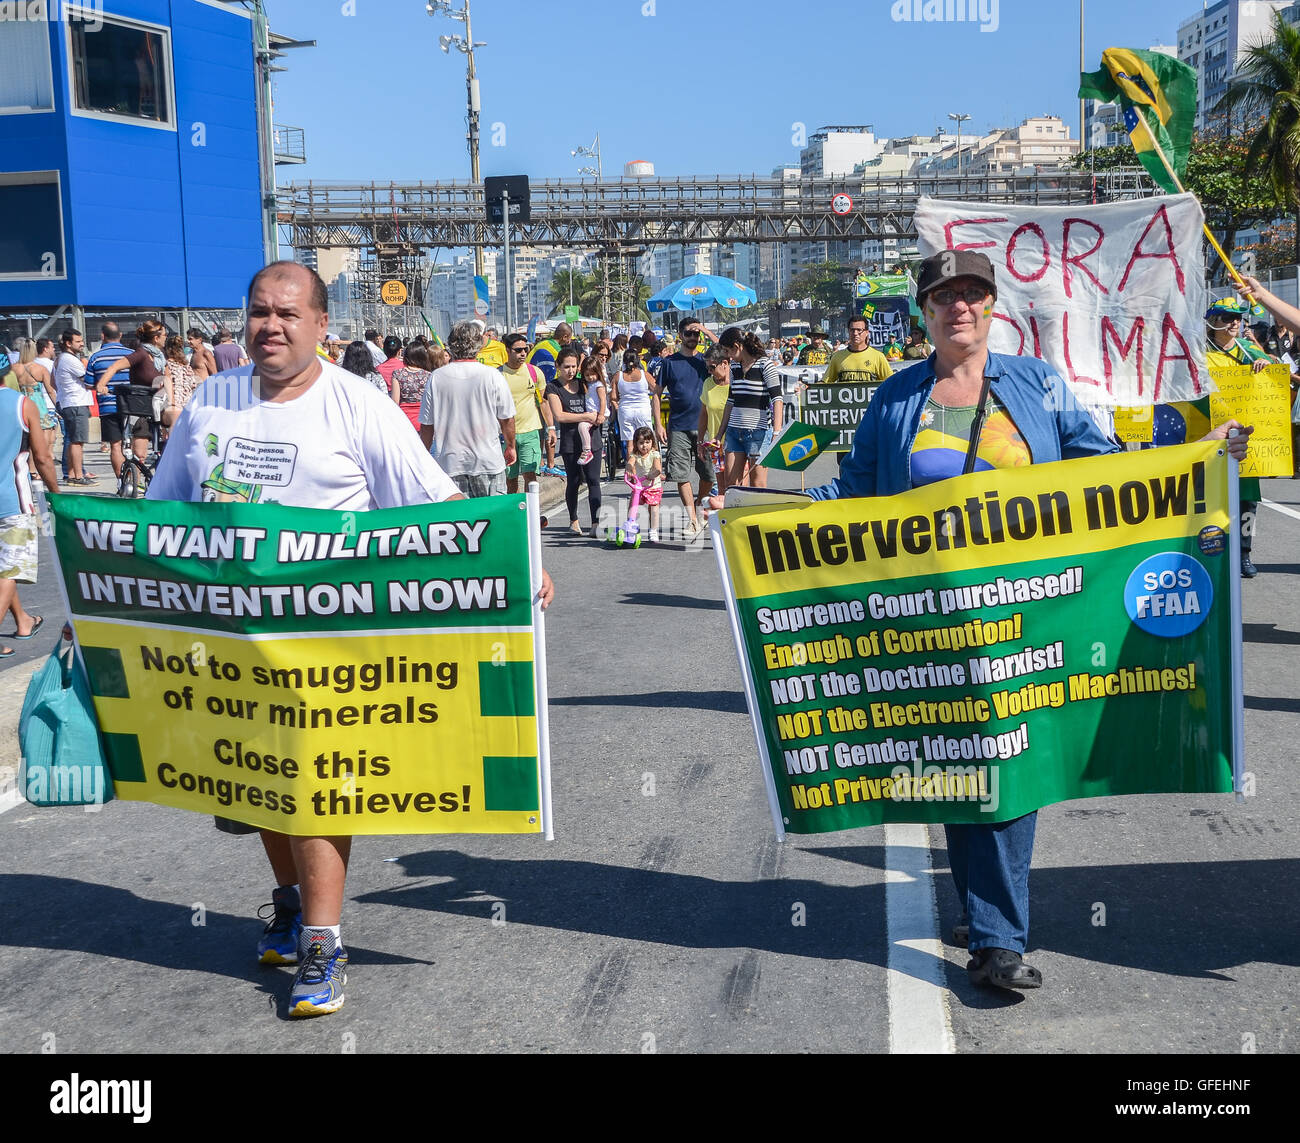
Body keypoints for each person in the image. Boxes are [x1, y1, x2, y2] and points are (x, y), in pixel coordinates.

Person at [805, 249, 1250, 993]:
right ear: (925, 310)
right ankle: (986, 914)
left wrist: (1196, 457)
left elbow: (1107, 470)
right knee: (958, 767)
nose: (961, 308)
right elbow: (853, 494)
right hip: (932, 621)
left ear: (992, 305)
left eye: (974, 293)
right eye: (945, 295)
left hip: (1027, 617)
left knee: (1012, 764)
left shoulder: (1037, 385)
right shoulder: (895, 401)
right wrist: (755, 510)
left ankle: (998, 940)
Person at [147, 260, 552, 1017]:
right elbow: (159, 510)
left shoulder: (357, 405)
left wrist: (518, 558)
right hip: (233, 651)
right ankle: (295, 903)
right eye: (258, 311)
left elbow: (433, 504)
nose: (270, 325)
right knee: (256, 786)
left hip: (329, 652)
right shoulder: (210, 402)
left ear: (322, 325)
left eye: (287, 313)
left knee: (315, 784)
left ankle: (324, 943)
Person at [418, 322, 516, 497]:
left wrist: (423, 458)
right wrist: (510, 446)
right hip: (488, 461)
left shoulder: (437, 378)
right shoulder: (492, 375)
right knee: (493, 521)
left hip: (450, 463)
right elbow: (506, 418)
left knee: (456, 522)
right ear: (479, 344)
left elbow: (427, 425)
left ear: (451, 345)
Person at [0, 377, 59, 654]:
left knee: (4, 568)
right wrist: (55, 492)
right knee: (10, 569)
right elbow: (43, 457)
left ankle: (23, 621)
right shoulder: (22, 404)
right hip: (12, 500)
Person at [656, 316, 714, 537]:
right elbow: (657, 395)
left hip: (704, 428)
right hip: (678, 426)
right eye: (689, 333)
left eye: (696, 333)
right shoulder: (669, 362)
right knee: (681, 475)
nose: (693, 337)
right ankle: (692, 519)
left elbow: (726, 353)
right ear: (680, 335)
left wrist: (706, 331)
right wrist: (658, 425)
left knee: (709, 475)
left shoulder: (705, 360)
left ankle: (700, 507)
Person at [717, 329, 784, 491]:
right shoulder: (734, 367)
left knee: (758, 485)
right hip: (734, 432)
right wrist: (719, 434)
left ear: (737, 346)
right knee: (731, 485)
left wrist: (776, 432)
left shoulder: (765, 365)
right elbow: (730, 401)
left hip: (758, 432)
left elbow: (777, 399)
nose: (728, 356)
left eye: (728, 351)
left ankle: (758, 517)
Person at [545, 346, 601, 535]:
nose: (570, 371)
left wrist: (601, 415)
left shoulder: (584, 382)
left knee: (594, 480)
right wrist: (586, 416)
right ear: (558, 366)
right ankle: (573, 520)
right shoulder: (553, 387)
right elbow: (560, 416)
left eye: (574, 367)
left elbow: (600, 395)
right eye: (566, 367)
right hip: (570, 442)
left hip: (592, 440)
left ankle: (595, 523)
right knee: (574, 481)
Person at [97, 320, 168, 464]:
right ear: (156, 338)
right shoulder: (141, 354)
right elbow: (114, 367)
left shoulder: (160, 357)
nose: (166, 338)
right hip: (141, 408)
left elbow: (168, 378)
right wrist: (102, 384)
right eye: (165, 335)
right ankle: (136, 482)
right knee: (140, 454)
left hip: (160, 406)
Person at [500, 332, 549, 495]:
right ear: (507, 350)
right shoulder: (498, 375)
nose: (523, 353)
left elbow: (543, 402)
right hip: (506, 435)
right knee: (510, 479)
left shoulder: (535, 372)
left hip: (530, 431)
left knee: (530, 476)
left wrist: (552, 427)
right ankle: (514, 514)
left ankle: (531, 512)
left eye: (525, 349)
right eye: (518, 350)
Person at [86, 324, 132, 479]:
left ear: (102, 336)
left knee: (115, 446)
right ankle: (137, 482)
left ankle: (122, 482)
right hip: (132, 406)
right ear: (120, 335)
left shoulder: (95, 357)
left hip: (108, 406)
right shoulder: (132, 355)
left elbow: (89, 384)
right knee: (135, 444)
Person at [52, 329, 96, 486]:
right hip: (76, 403)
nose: (82, 343)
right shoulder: (70, 360)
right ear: (68, 343)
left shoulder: (59, 359)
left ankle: (71, 474)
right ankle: (78, 476)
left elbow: (52, 382)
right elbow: (88, 381)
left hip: (68, 402)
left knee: (72, 440)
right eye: (78, 341)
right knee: (77, 442)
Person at [612, 347, 660, 472]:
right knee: (649, 440)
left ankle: (632, 472)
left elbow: (613, 396)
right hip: (643, 409)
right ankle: (654, 469)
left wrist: (617, 407)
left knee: (630, 444)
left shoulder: (618, 376)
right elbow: (656, 389)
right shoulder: (644, 375)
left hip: (625, 410)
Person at [697, 346, 732, 496]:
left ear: (724, 363)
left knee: (738, 487)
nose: (710, 372)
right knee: (722, 490)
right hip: (715, 446)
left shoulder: (736, 383)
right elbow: (704, 414)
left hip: (735, 444)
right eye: (708, 368)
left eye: (712, 367)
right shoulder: (708, 384)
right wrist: (700, 442)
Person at [625, 425, 664, 543]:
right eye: (641, 442)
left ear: (652, 442)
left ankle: (653, 530)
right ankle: (630, 526)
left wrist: (653, 474)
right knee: (633, 505)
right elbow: (630, 463)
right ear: (636, 443)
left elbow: (658, 468)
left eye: (647, 442)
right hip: (638, 486)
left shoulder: (654, 454)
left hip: (653, 486)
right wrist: (629, 469)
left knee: (654, 508)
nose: (644, 445)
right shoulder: (635, 455)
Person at [392, 342, 434, 431]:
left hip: (404, 420)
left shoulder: (398, 374)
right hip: (424, 418)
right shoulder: (429, 375)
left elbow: (395, 402)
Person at [161, 335, 197, 429]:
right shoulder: (187, 367)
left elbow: (164, 384)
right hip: (188, 407)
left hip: (172, 406)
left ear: (167, 349)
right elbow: (193, 385)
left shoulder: (166, 365)